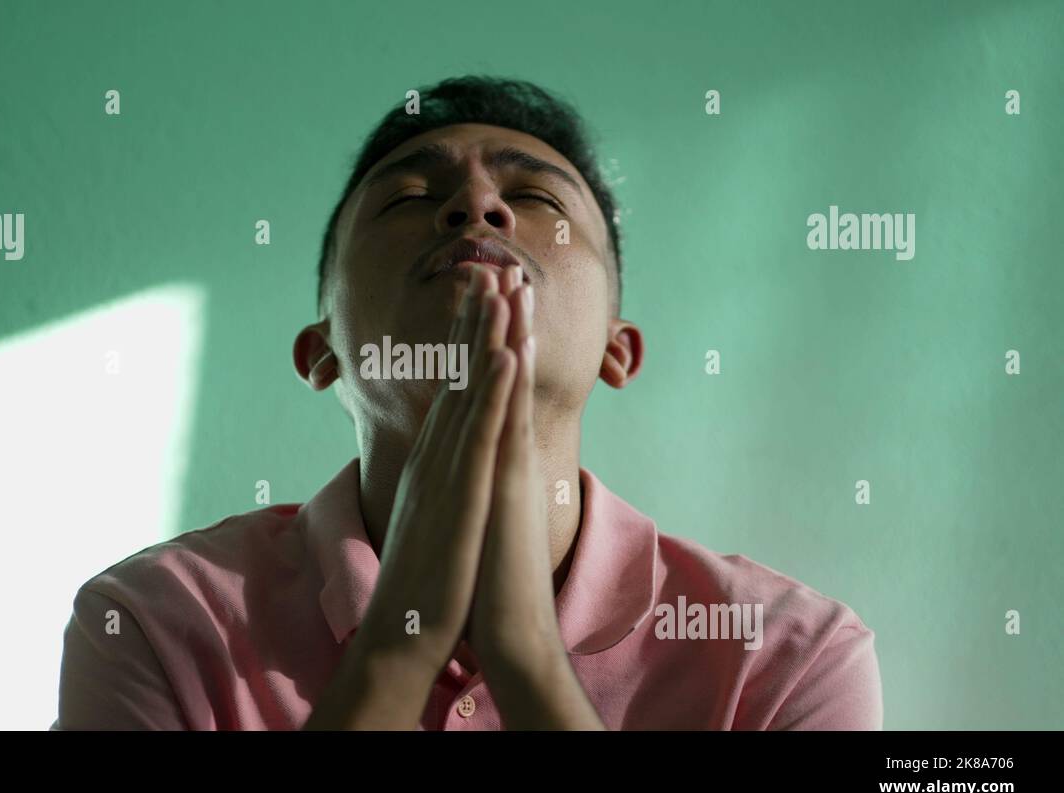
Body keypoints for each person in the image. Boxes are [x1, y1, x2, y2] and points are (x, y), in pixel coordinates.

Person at [55, 75, 883, 730]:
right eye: (409, 198)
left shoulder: (787, 656)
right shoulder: (155, 623)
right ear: (321, 351)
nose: (477, 207)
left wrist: (527, 657)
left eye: (537, 199)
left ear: (618, 348)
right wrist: (393, 653)